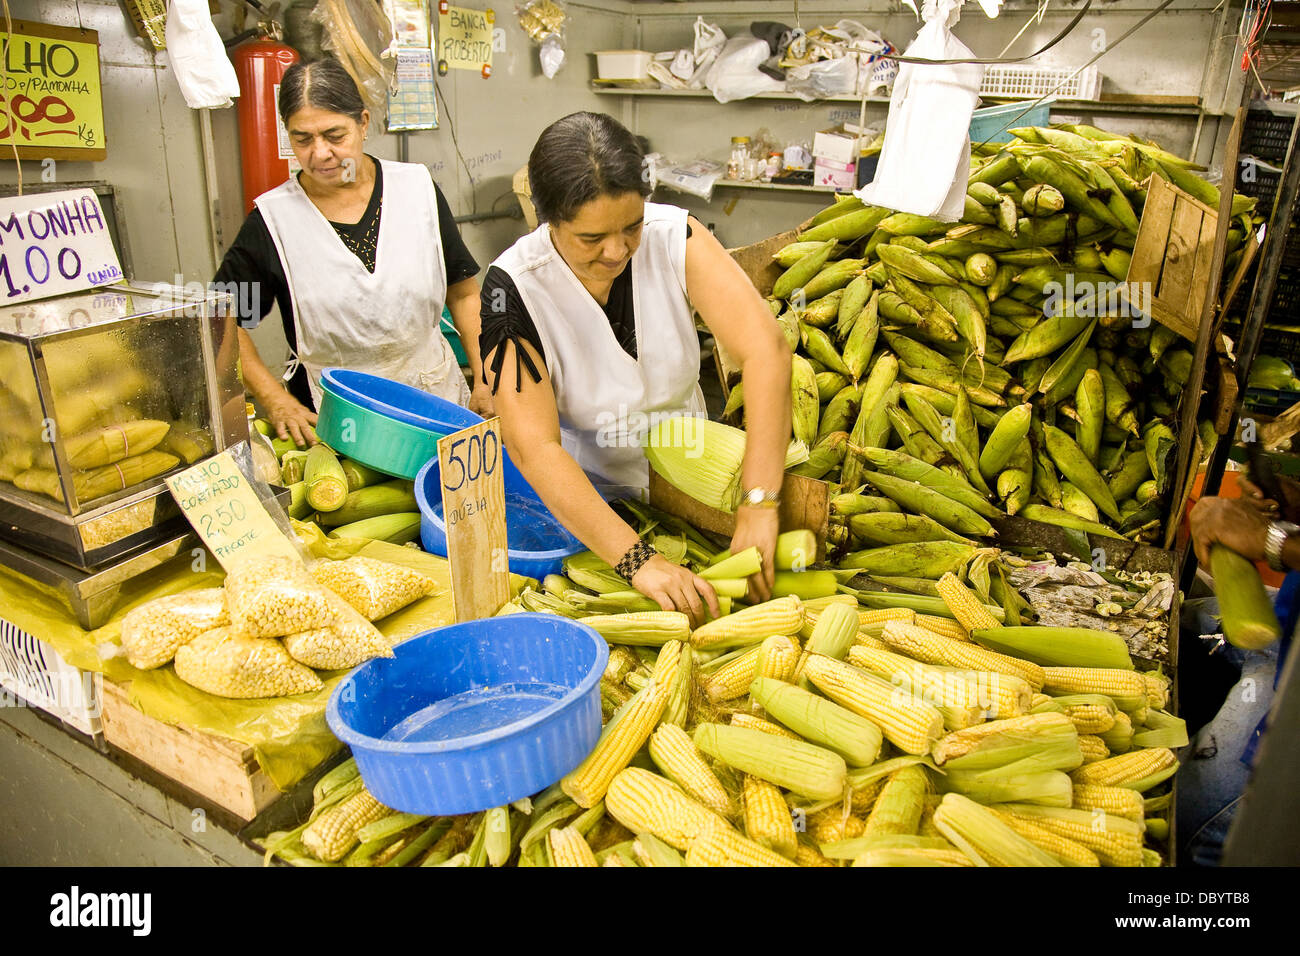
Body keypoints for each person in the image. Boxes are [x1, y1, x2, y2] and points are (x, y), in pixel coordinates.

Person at [480, 112, 793, 625]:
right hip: (594, 507)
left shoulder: (675, 237)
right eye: (590, 238)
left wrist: (759, 500)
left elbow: (766, 352)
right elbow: (532, 446)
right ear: (547, 220)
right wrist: (637, 561)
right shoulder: (511, 290)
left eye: (631, 226)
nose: (617, 250)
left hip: (697, 484)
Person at [214, 57, 492, 447]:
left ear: (363, 123)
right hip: (334, 414)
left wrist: (484, 375)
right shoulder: (273, 222)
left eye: (334, 135)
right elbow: (220, 319)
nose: (320, 153)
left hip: (434, 398)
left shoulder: (416, 189)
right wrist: (274, 399)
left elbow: (463, 293)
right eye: (302, 139)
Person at [1184, 477, 1297, 864]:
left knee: (1189, 811)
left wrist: (1276, 542)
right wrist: (1284, 506)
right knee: (1177, 614)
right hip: (1286, 626)